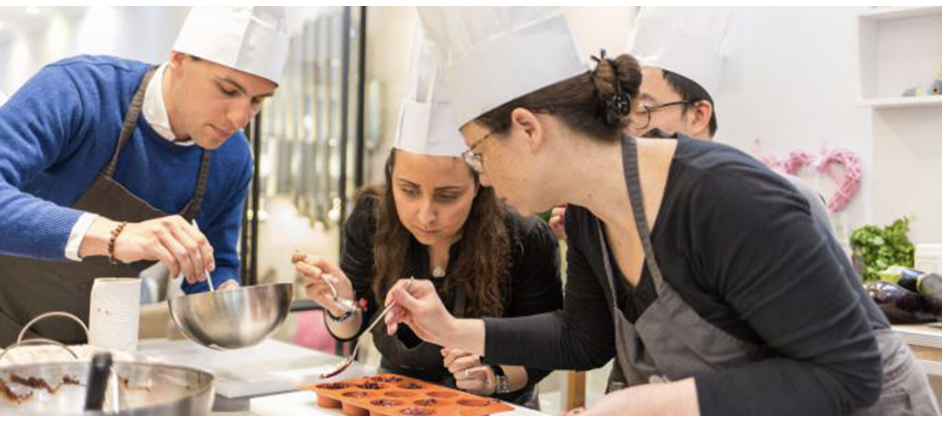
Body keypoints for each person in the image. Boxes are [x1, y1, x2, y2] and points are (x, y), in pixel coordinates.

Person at [382, 6, 939, 415]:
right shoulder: (586, 215)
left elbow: (847, 376)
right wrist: (453, 328)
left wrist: (646, 406)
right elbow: (584, 339)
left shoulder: (727, 198)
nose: (482, 176)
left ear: (528, 129)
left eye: (479, 154)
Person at [0, 7, 288, 349]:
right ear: (179, 59)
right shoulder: (80, 90)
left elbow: (214, 264)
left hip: (86, 343)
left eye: (257, 101)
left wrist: (225, 297)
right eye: (228, 90)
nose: (239, 118)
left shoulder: (232, 159)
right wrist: (115, 235)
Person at [291, 29, 562, 408]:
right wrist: (340, 304)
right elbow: (350, 331)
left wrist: (491, 378)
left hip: (493, 409)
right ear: (390, 177)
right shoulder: (371, 220)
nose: (425, 214)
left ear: (480, 184)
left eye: (448, 196)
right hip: (390, 400)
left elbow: (546, 348)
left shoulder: (525, 237)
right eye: (408, 189)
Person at [550, 7, 834, 240]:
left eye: (644, 109)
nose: (630, 129)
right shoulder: (612, 212)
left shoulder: (785, 198)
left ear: (698, 115)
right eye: (622, 112)